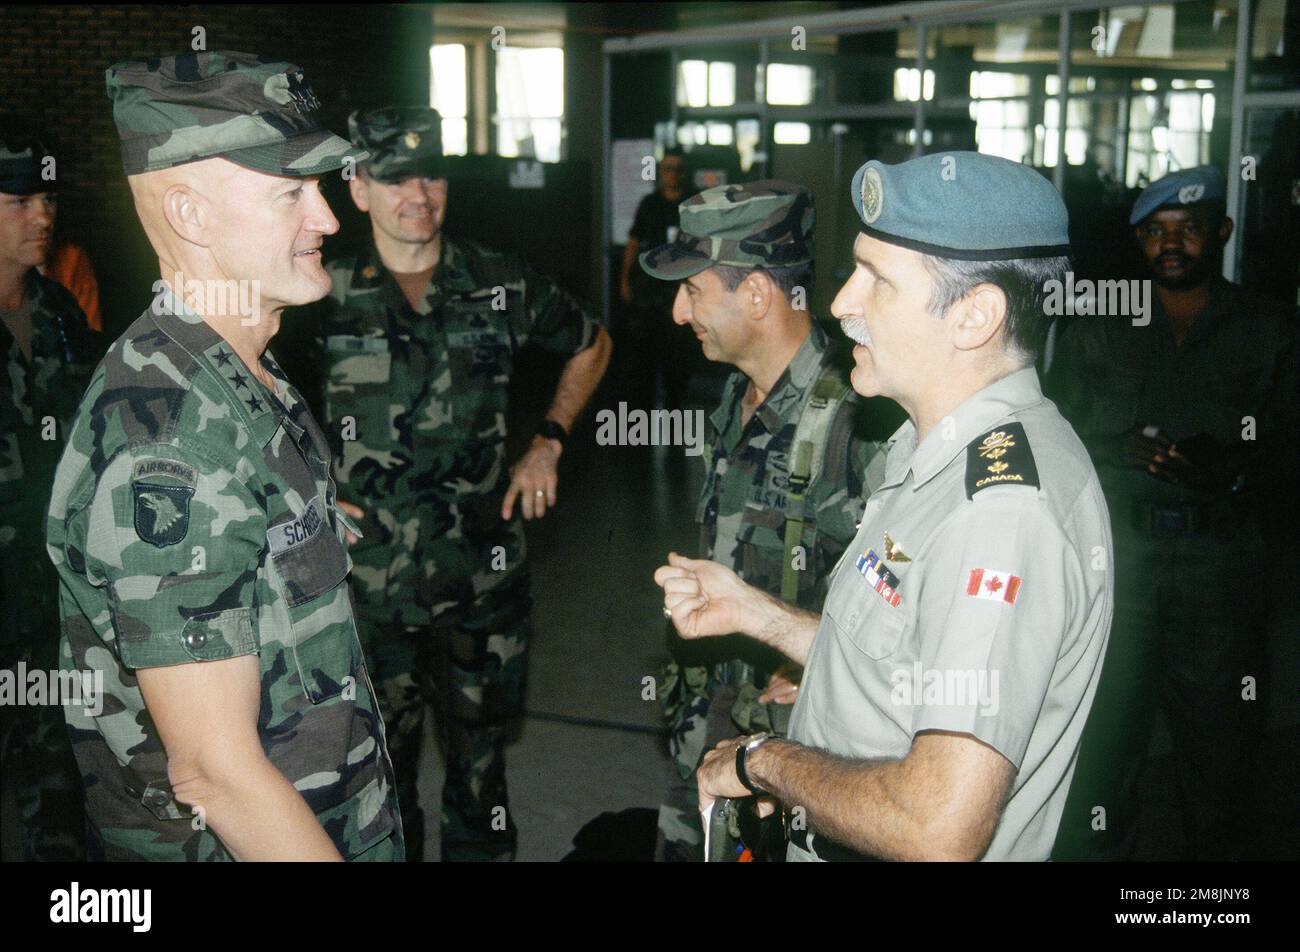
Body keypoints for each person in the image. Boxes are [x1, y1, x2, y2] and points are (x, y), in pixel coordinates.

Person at [654, 152, 1113, 861]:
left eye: (878, 280)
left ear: (974, 316)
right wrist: (758, 614)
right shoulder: (932, 456)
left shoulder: (1000, 512)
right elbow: (902, 669)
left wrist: (763, 761)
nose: (840, 303)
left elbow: (938, 829)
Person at [44, 51, 402, 861]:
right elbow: (214, 775)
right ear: (191, 214)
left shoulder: (241, 366)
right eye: (290, 194)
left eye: (321, 188)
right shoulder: (172, 446)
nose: (330, 219)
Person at [284, 105, 611, 861]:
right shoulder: (314, 294)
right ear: (358, 188)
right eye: (396, 178)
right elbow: (246, 383)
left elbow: (592, 344)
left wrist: (550, 441)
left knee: (480, 780)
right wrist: (304, 480)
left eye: (431, 175)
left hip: (480, 583)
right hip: (365, 591)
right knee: (375, 785)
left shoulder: (497, 280)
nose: (419, 195)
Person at [1048, 165, 1299, 860]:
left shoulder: (1270, 328)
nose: (1172, 244)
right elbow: (1049, 432)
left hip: (1222, 571)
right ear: (1138, 240)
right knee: (1099, 753)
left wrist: (1238, 473)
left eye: (1188, 230)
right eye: (1156, 231)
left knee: (1221, 760)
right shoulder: (1099, 324)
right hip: (1119, 569)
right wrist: (1113, 447)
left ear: (1218, 232)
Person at [637, 180, 891, 861]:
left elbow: (909, 594)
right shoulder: (734, 393)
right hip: (707, 724)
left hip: (801, 749)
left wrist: (816, 672)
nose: (676, 312)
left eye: (691, 291)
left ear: (755, 295)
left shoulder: (859, 417)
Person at [1, 122, 99, 861]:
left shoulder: (63, 317)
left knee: (62, 803)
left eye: (47, 200)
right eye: (19, 201)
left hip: (51, 612)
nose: (43, 216)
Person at [619, 147, 694, 409]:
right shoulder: (650, 204)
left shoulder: (694, 205)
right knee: (643, 359)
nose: (673, 174)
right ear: (661, 172)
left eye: (678, 169)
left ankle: (675, 413)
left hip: (679, 293)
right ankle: (642, 418)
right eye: (668, 168)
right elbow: (633, 241)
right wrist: (625, 280)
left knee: (677, 362)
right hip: (649, 292)